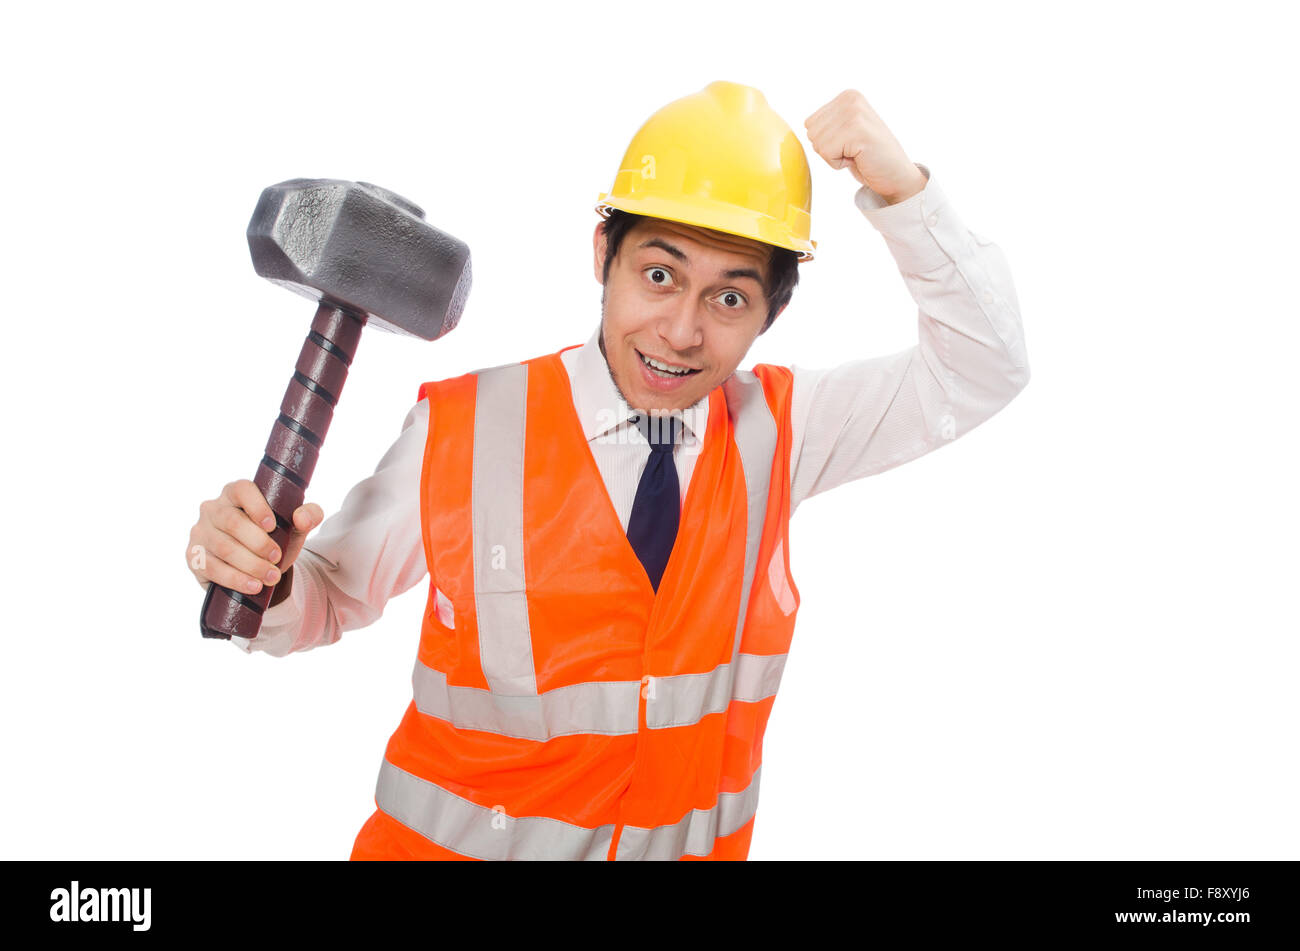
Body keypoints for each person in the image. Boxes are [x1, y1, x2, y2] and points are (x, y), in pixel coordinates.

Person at [186, 81, 1030, 860]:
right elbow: (326, 597)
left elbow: (984, 368)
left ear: (773, 310)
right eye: (658, 275)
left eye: (730, 297)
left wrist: (906, 197)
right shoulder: (465, 428)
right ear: (603, 253)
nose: (682, 332)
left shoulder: (785, 429)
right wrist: (266, 576)